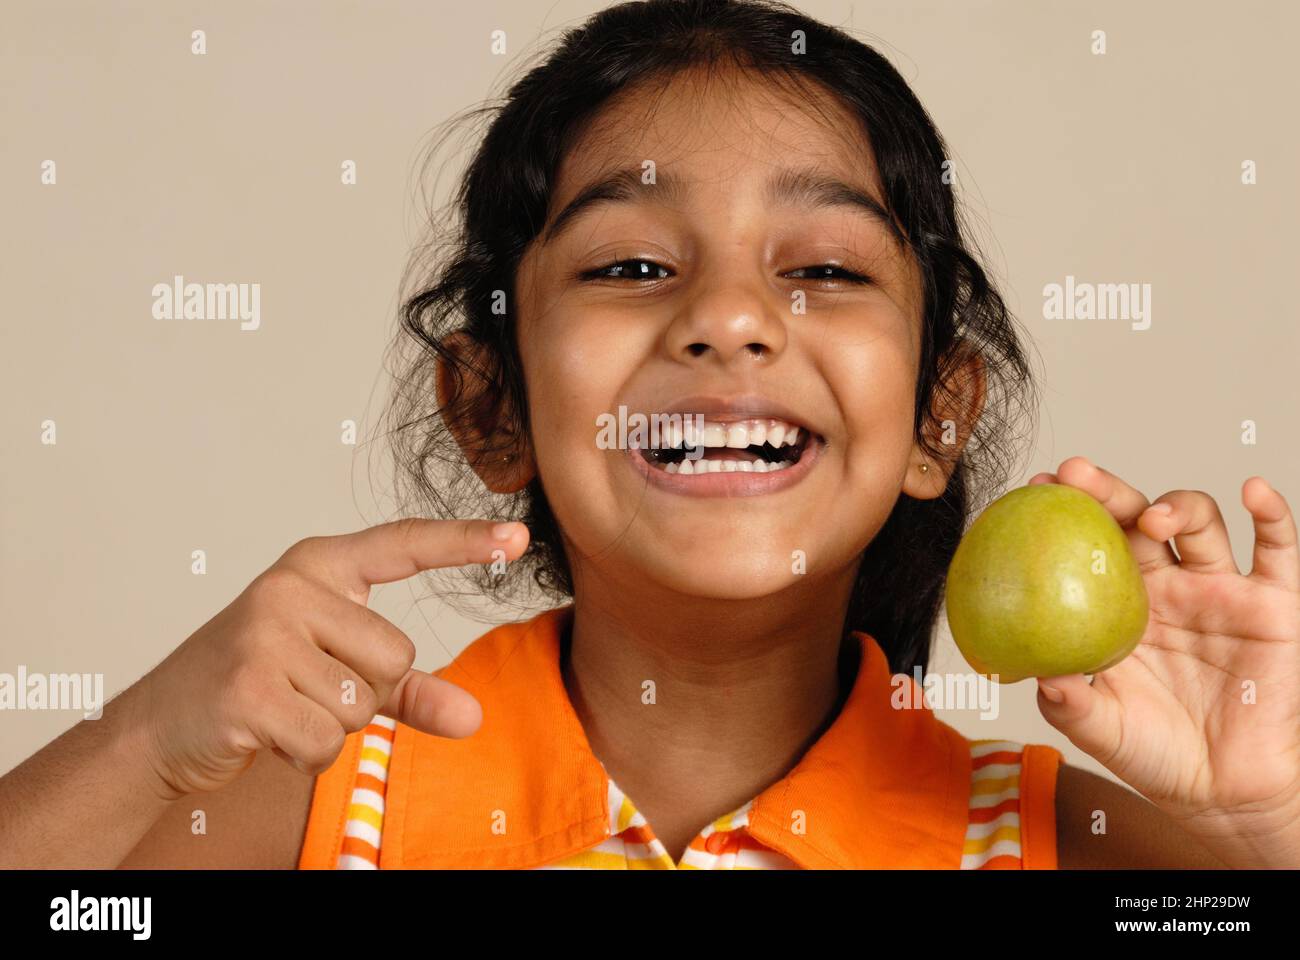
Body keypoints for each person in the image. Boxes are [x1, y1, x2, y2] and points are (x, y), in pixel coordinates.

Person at [3, 0, 1296, 870]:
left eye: (827, 271)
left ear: (935, 415)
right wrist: (138, 743)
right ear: (493, 408)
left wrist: (1261, 825)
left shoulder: (1085, 856)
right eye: (630, 265)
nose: (729, 318)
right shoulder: (322, 814)